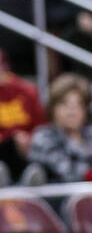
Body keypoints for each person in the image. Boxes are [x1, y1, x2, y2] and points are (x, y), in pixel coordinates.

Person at [0, 48, 46, 180]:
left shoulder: (27, 90)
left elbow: (41, 126)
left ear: (5, 65)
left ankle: (30, 179)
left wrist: (29, 138)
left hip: (25, 148)